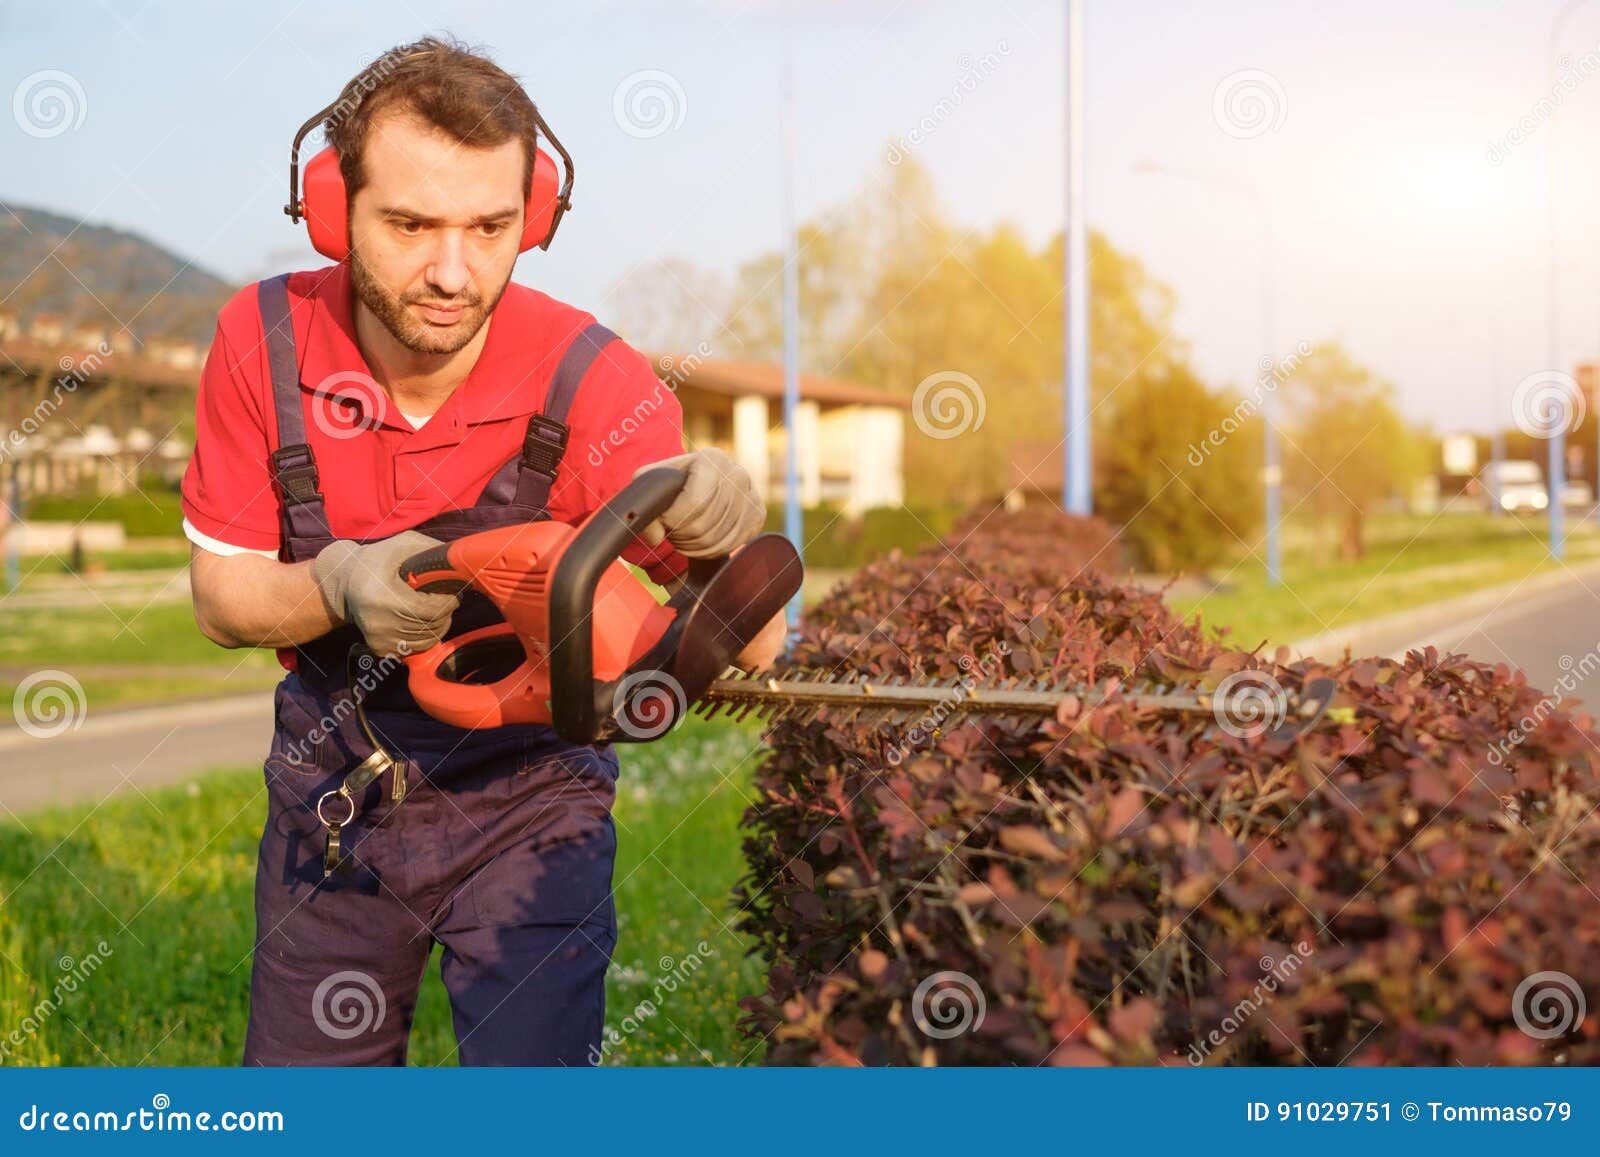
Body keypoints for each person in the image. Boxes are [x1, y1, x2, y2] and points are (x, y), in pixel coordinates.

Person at [181, 36, 783, 1065]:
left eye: (490, 227)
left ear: (535, 218)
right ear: (332, 211)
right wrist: (336, 579)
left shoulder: (590, 375)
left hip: (532, 800)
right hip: (337, 786)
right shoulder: (262, 341)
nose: (452, 271)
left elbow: (758, 649)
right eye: (410, 224)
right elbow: (223, 595)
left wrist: (723, 531)